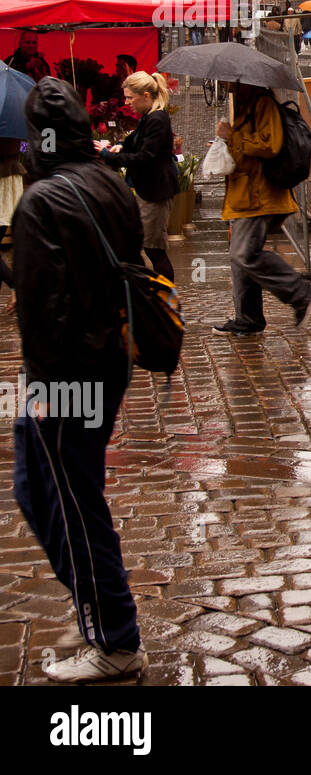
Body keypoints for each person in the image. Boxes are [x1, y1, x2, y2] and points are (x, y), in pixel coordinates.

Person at [11, 79, 148, 681]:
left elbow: (44, 310)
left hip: (66, 377)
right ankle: (94, 602)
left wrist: (44, 392)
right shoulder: (107, 182)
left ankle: (115, 637)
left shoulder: (42, 199)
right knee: (38, 489)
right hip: (104, 361)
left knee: (70, 500)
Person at [211, 82, 311, 335]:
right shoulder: (247, 107)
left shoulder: (263, 104)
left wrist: (231, 136)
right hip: (244, 196)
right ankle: (248, 319)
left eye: (230, 82)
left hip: (258, 197)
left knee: (245, 255)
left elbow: (270, 145)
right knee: (240, 261)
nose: (227, 87)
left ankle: (299, 293)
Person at [95, 71, 179, 284]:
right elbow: (135, 143)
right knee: (146, 246)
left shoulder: (157, 119)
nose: (127, 102)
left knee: (154, 249)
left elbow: (145, 156)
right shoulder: (149, 117)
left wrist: (108, 156)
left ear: (146, 96)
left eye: (130, 97)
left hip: (155, 193)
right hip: (147, 190)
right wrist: (118, 146)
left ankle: (166, 297)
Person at [0, 136, 25, 297]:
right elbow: (25, 147)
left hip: (3, 180)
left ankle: (17, 285)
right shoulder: (12, 120)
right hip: (11, 177)